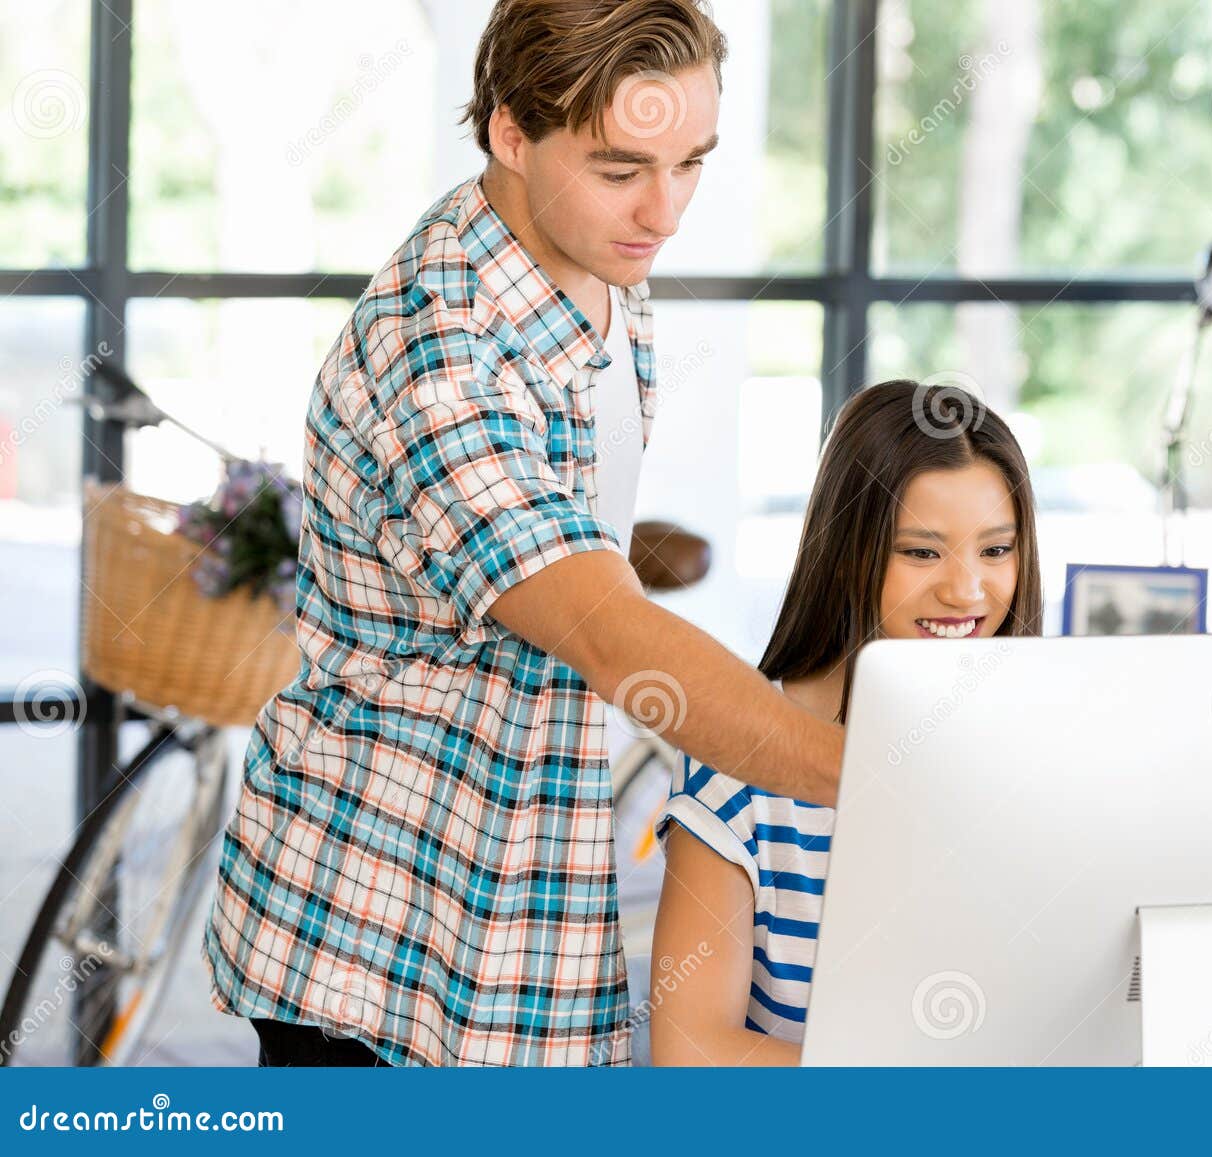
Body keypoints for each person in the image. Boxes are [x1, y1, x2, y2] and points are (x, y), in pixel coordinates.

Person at [203, 0, 843, 1068]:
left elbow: (549, 532)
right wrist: (879, 778)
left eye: (691, 162)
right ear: (509, 131)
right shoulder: (443, 346)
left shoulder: (590, 259)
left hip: (509, 913)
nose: (665, 208)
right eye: (621, 167)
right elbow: (609, 636)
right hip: (375, 926)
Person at [647, 379, 1044, 1065]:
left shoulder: (1042, 746)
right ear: (846, 550)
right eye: (921, 551)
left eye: (996, 549)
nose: (966, 590)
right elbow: (691, 1048)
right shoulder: (742, 759)